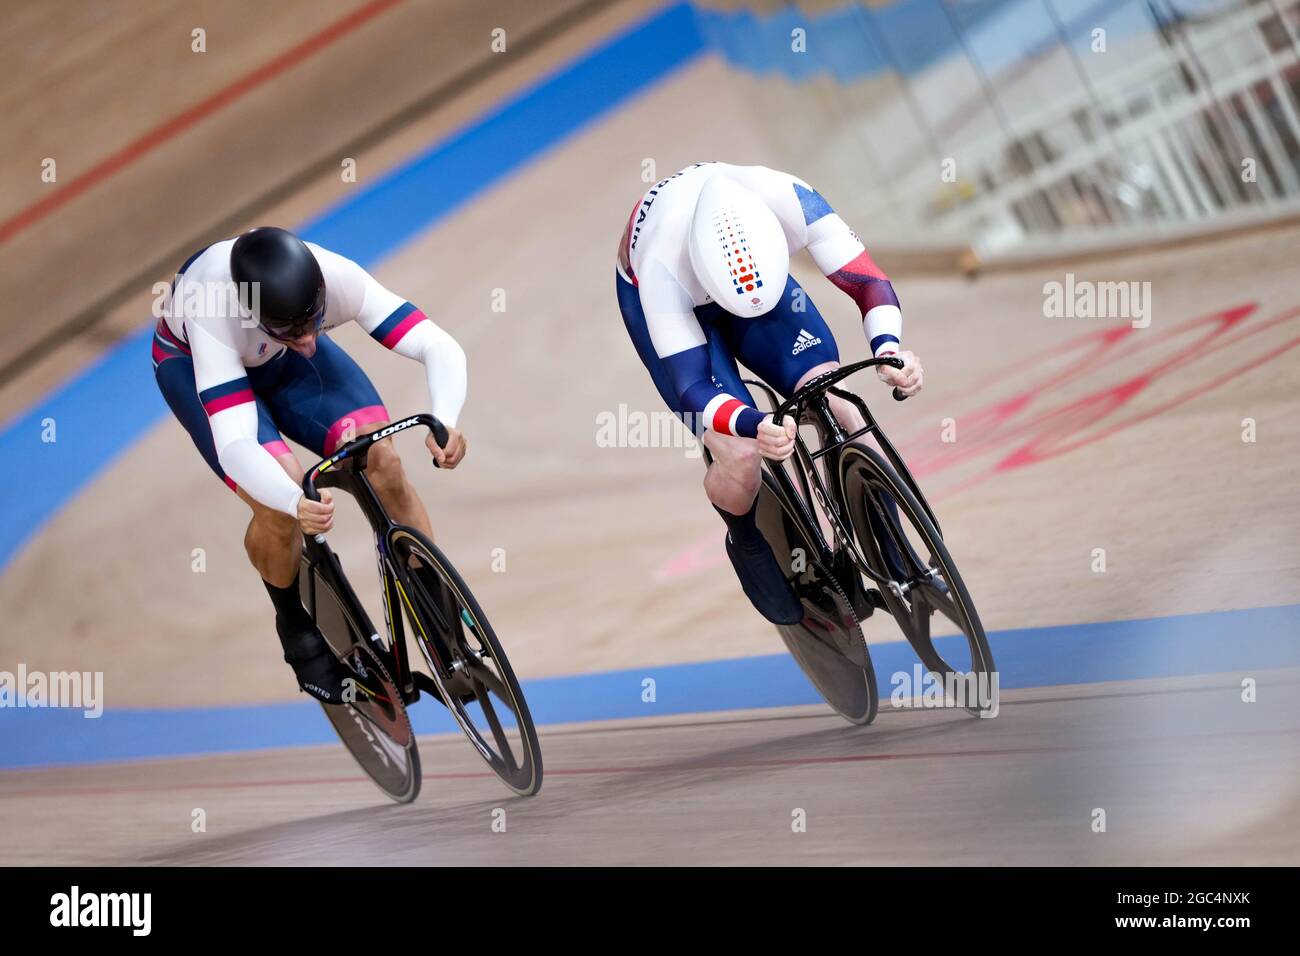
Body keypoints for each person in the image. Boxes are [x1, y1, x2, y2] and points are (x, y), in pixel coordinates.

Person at [152, 227, 468, 703]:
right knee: (279, 496)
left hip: (272, 356)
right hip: (192, 362)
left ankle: (440, 621)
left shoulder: (333, 277)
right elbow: (236, 445)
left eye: (313, 323)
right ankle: (297, 633)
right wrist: (289, 499)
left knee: (380, 456)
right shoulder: (215, 311)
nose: (310, 342)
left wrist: (445, 418)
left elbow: (435, 344)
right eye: (293, 331)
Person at [615, 163, 923, 624]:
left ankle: (898, 553)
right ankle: (742, 532)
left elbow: (870, 284)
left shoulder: (790, 201)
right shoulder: (664, 269)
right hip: (671, 303)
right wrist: (753, 424)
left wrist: (889, 350)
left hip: (761, 288)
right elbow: (692, 386)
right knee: (740, 455)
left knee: (840, 403)